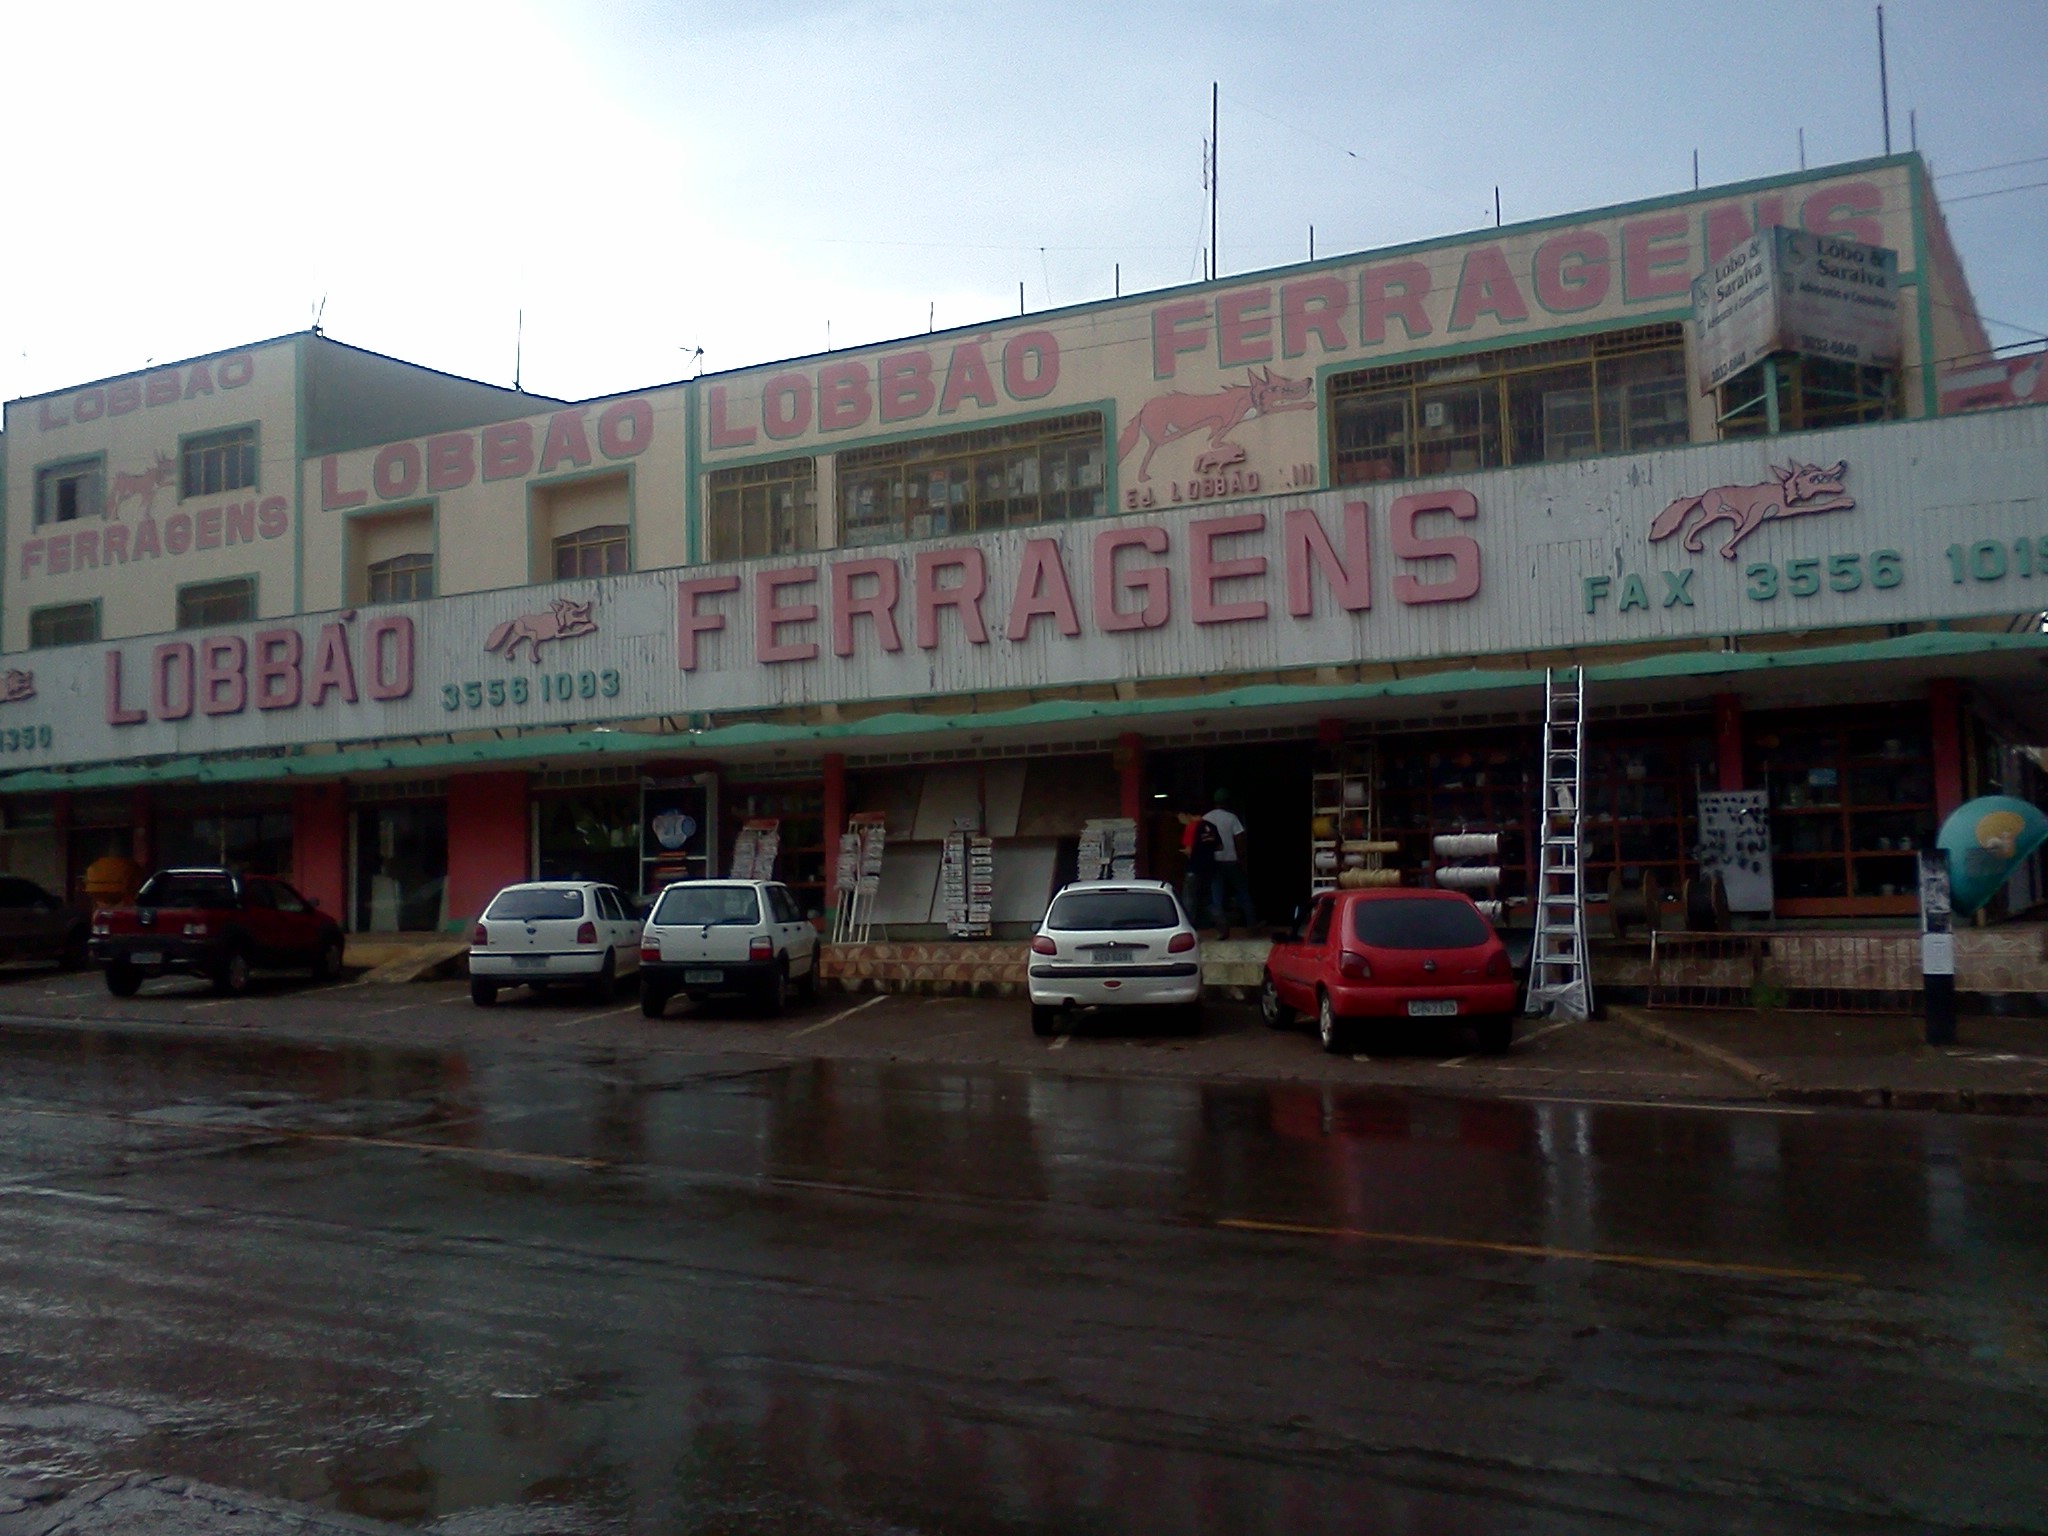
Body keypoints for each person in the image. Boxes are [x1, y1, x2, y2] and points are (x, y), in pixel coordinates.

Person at [1203, 789, 1255, 939]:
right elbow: (1239, 838)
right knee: (1243, 892)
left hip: (1214, 862)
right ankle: (1251, 925)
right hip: (1231, 860)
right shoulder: (1231, 818)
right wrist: (1241, 857)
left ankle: (1221, 930)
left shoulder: (1206, 818)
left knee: (1216, 896)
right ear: (1227, 802)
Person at [1180, 807, 1219, 928]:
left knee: (1188, 900)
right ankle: (1221, 919)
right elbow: (1219, 846)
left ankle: (1187, 928)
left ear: (1187, 814)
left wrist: (1184, 852)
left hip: (1194, 868)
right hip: (1209, 868)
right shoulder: (1211, 826)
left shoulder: (1191, 827)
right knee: (1206, 899)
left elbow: (1189, 850)